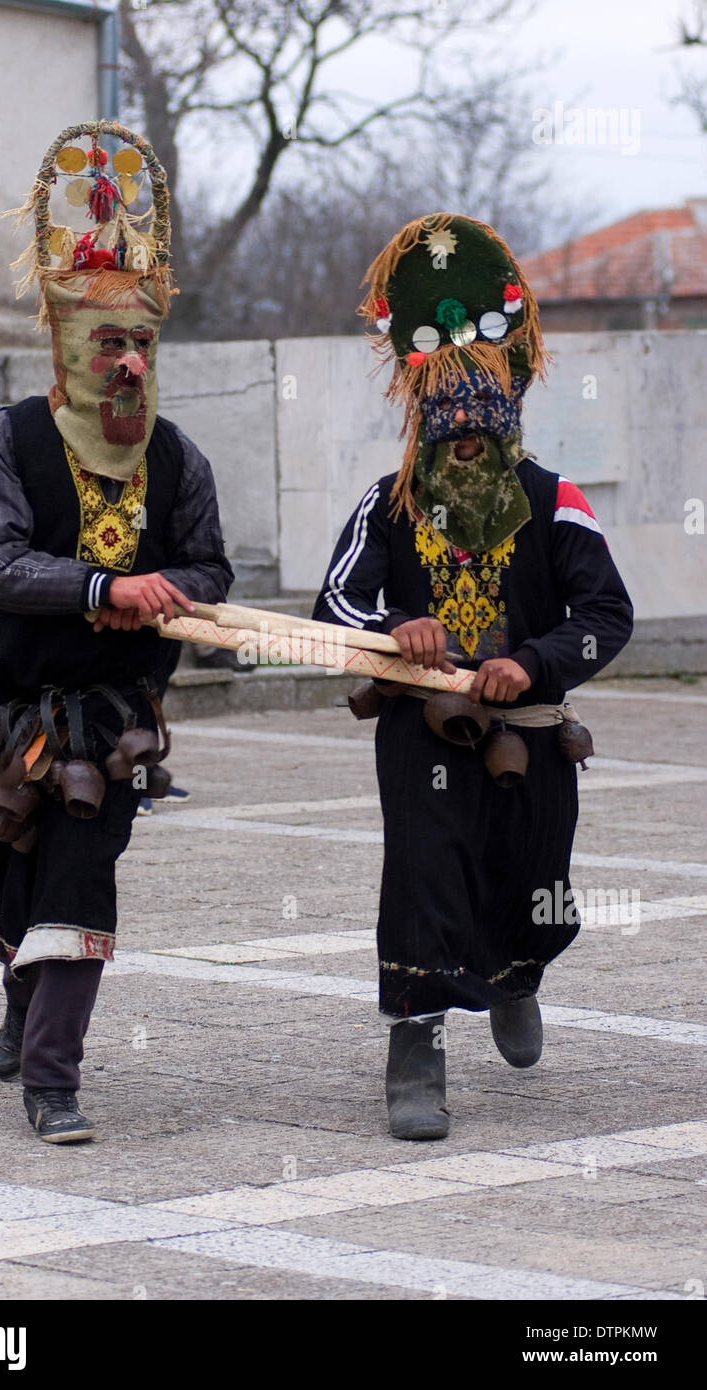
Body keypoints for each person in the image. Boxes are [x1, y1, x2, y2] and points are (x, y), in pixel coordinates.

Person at [313, 213, 633, 1140]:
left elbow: (607, 615)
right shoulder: (390, 501)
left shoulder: (552, 499)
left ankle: (515, 975)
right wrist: (397, 628)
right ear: (424, 428)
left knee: (536, 880)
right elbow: (337, 607)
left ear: (504, 427)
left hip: (531, 729)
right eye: (445, 438)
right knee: (425, 869)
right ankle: (415, 1050)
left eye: (477, 441)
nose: (462, 453)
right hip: (423, 731)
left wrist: (529, 663)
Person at [0, 120, 233, 1143]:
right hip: (10, 712)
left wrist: (168, 588)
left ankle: (53, 1081)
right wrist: (103, 588)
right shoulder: (6, 438)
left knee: (78, 883)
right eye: (106, 341)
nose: (126, 361)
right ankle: (19, 993)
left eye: (142, 343)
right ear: (68, 345)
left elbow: (212, 568)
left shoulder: (178, 454)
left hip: (113, 724)